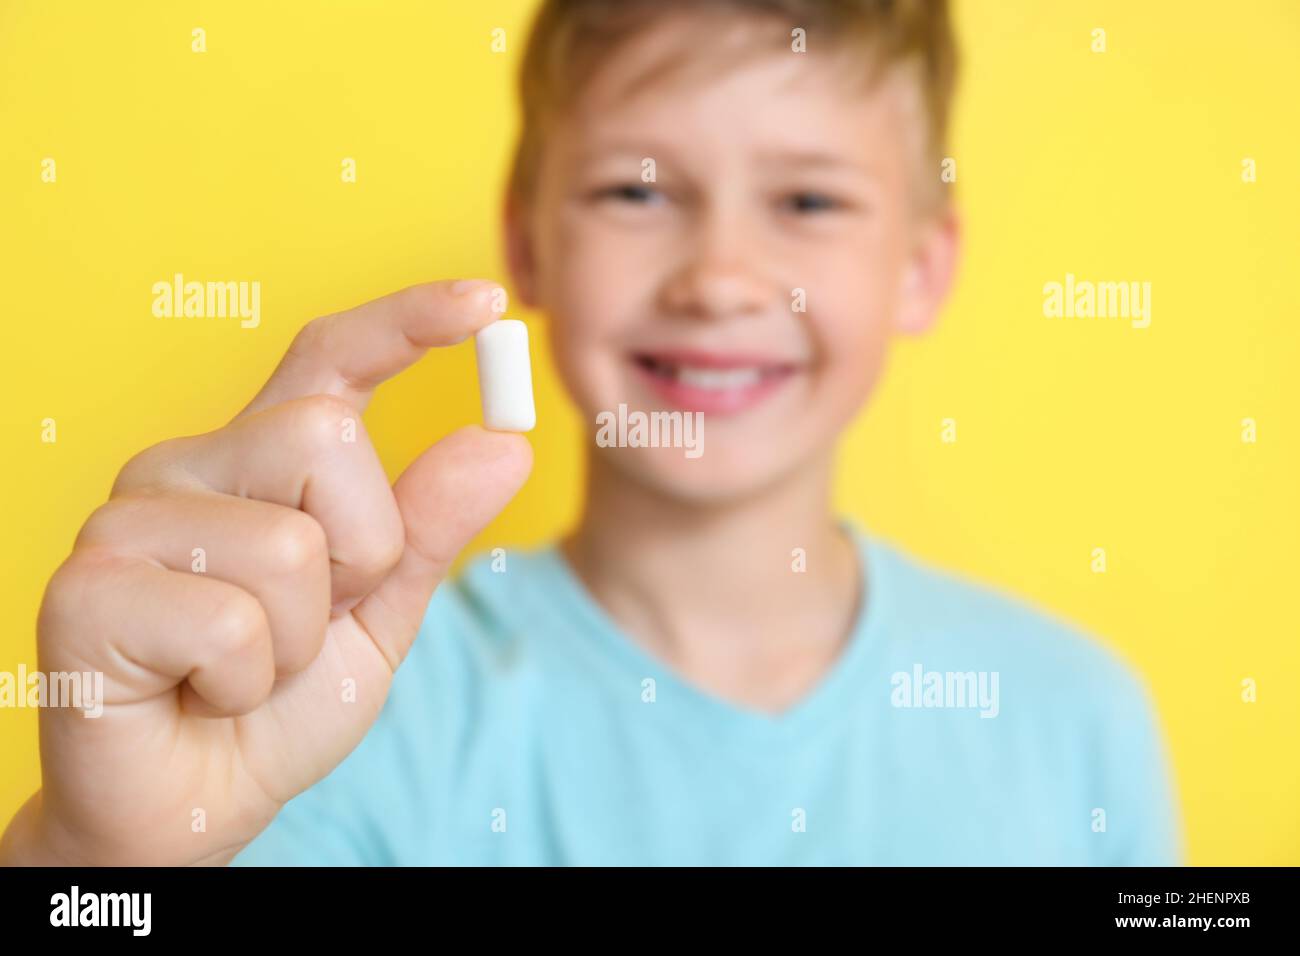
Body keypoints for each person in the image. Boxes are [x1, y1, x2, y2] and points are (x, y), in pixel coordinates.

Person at [0, 0, 1181, 866]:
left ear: (920, 269)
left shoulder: (1073, 720)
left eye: (809, 201)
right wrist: (100, 862)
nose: (720, 277)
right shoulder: (335, 706)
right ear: (527, 244)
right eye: (637, 190)